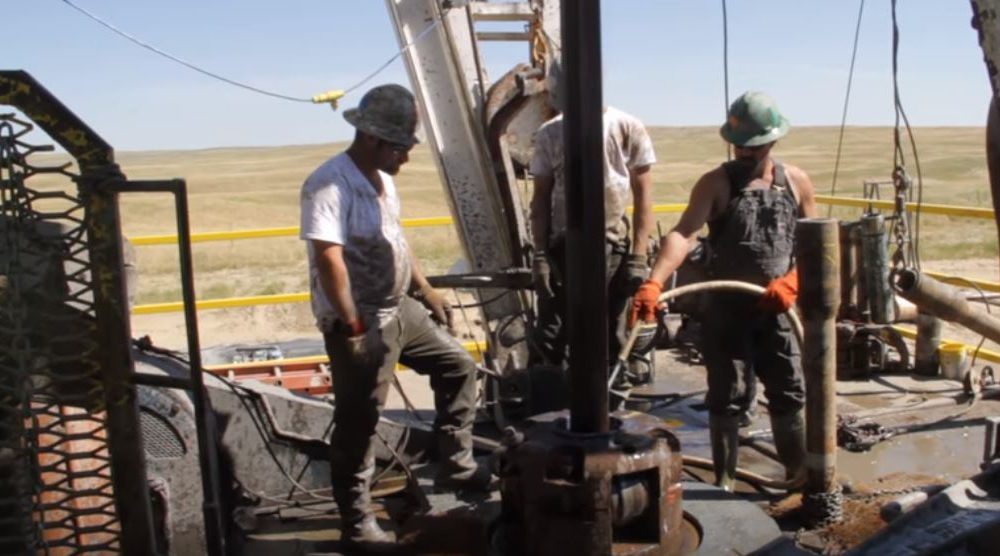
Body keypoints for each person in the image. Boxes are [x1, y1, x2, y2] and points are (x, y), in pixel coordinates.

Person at [299, 84, 493, 546]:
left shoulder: (384, 181)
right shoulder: (329, 184)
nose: (405, 157)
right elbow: (330, 260)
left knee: (459, 366)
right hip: (360, 318)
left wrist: (426, 291)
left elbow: (398, 241)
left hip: (399, 307)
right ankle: (357, 521)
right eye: (400, 147)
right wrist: (354, 327)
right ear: (370, 138)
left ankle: (456, 464)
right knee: (360, 418)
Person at [631, 91, 815, 491]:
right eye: (739, 146)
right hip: (727, 311)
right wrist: (655, 281)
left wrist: (794, 282)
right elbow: (683, 233)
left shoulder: (796, 183)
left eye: (753, 146)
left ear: (773, 141)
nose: (744, 153)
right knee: (727, 396)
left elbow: (812, 245)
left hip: (777, 309)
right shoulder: (716, 183)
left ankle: (799, 481)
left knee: (790, 391)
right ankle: (726, 484)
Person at [529, 81, 656, 394]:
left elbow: (644, 197)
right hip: (563, 251)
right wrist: (541, 256)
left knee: (612, 335)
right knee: (553, 336)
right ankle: (549, 414)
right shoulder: (549, 133)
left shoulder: (627, 127)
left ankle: (610, 409)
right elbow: (540, 199)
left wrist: (638, 257)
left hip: (612, 249)